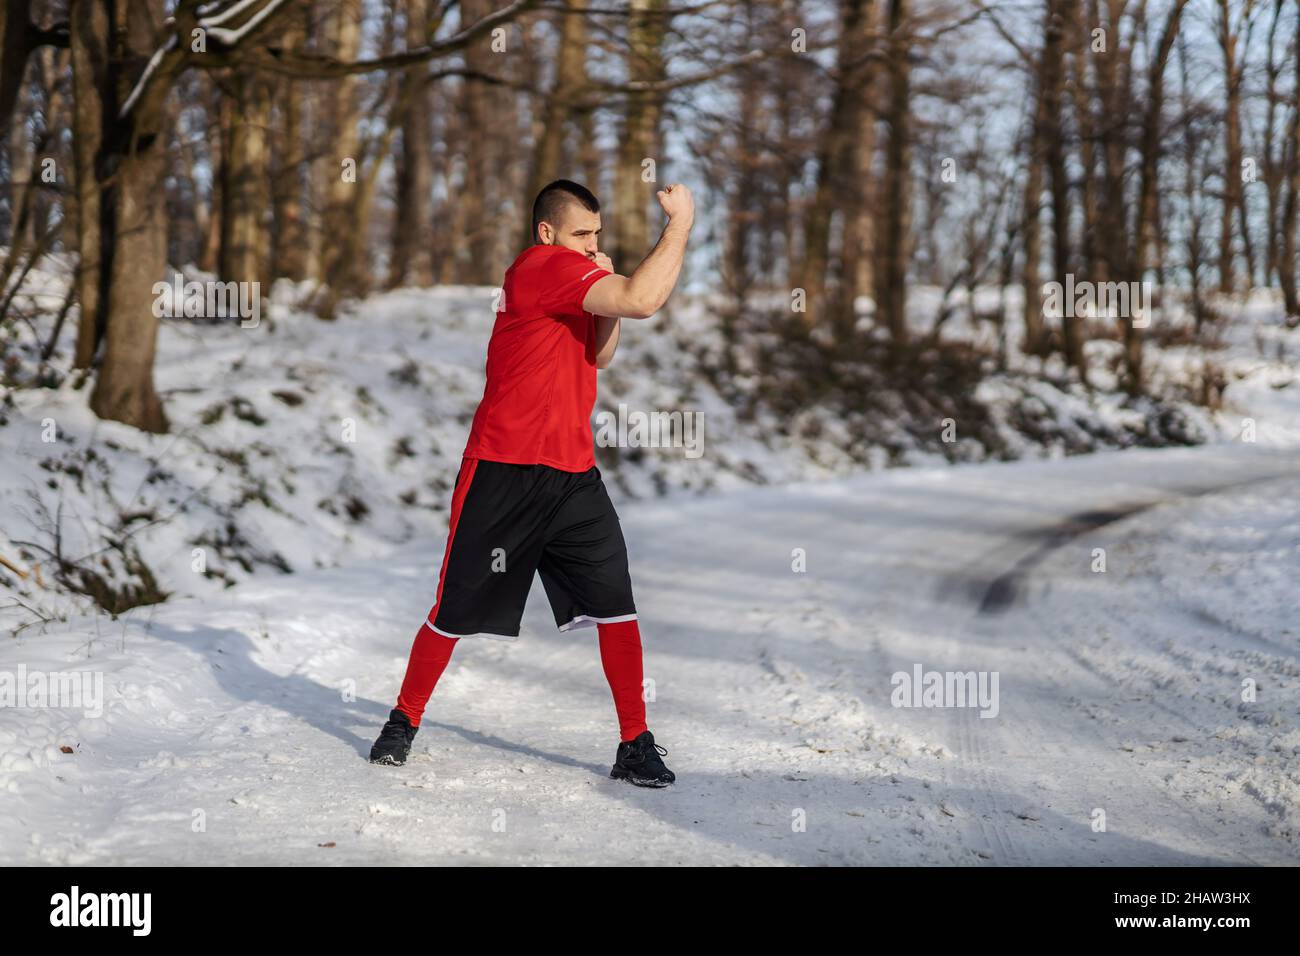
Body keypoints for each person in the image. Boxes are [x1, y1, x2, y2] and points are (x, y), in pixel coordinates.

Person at [369, 178, 695, 787]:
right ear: (547, 233)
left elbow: (601, 353)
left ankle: (634, 742)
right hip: (504, 468)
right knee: (452, 610)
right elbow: (644, 300)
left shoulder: (572, 279)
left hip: (573, 475)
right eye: (580, 234)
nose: (590, 245)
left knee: (616, 607)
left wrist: (608, 293)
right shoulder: (541, 267)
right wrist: (679, 224)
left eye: (596, 234)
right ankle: (402, 720)